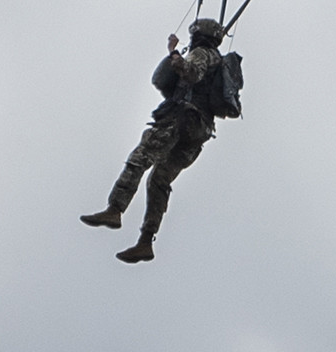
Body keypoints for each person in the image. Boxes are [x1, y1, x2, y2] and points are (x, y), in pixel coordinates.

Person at [80, 16, 240, 263]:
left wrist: (174, 53)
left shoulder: (202, 54)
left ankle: (115, 209)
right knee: (159, 181)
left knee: (141, 158)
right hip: (199, 134)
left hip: (182, 119)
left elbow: (190, 73)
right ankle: (145, 242)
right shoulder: (217, 62)